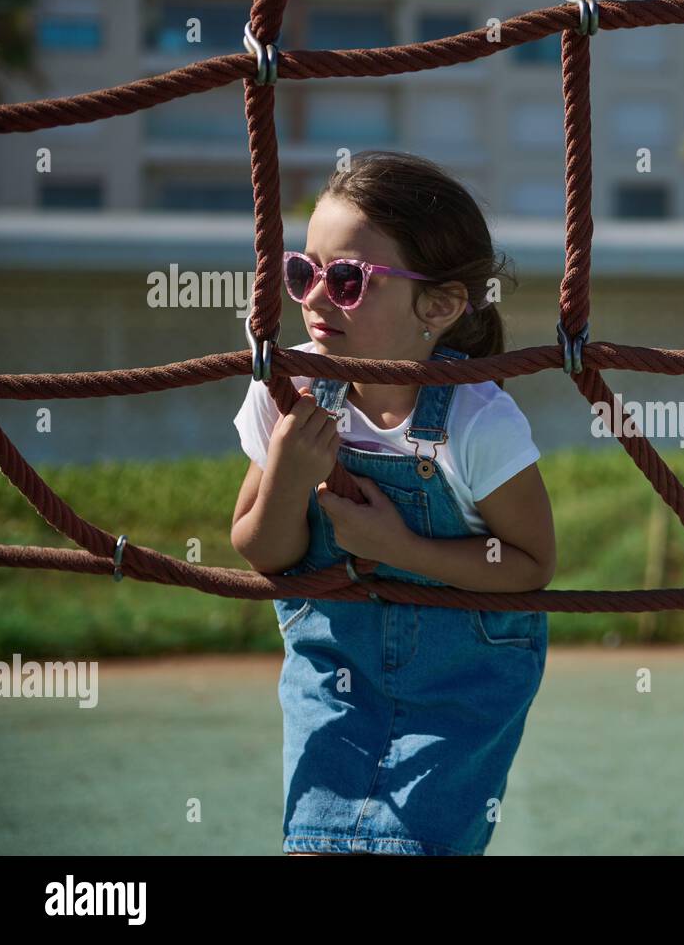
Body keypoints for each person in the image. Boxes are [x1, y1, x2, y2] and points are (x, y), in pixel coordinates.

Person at [229, 150, 556, 856]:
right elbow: (262, 551)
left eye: (347, 280)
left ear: (437, 306)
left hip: (461, 684)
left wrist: (400, 548)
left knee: (413, 845)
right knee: (316, 841)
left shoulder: (477, 420)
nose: (315, 297)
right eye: (302, 271)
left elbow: (529, 564)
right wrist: (287, 476)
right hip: (332, 671)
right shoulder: (285, 389)